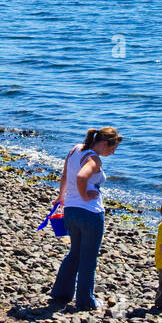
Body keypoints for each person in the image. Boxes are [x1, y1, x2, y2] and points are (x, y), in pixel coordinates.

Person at [49, 126, 123, 312]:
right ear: (104, 143)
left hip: (71, 211)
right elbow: (82, 177)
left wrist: (61, 196)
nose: (112, 153)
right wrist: (85, 195)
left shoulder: (75, 149)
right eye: (112, 149)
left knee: (75, 253)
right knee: (88, 259)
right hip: (90, 213)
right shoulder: (93, 159)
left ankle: (60, 293)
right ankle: (85, 301)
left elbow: (66, 174)